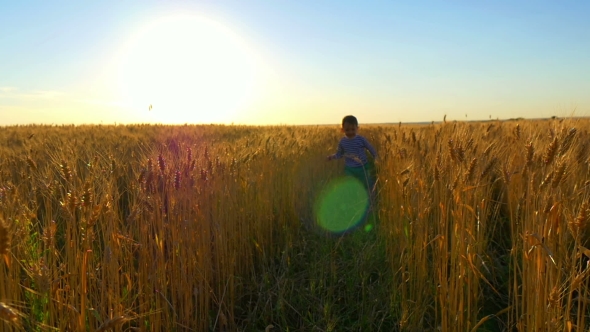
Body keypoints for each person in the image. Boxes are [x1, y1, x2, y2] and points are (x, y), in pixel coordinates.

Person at [327, 115, 378, 193]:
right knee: (351, 185)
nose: (350, 132)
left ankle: (371, 197)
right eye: (347, 130)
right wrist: (332, 157)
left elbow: (370, 148)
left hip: (363, 168)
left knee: (367, 184)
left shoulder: (361, 139)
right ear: (342, 130)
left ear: (357, 128)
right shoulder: (342, 142)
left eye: (353, 129)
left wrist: (376, 157)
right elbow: (339, 154)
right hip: (350, 169)